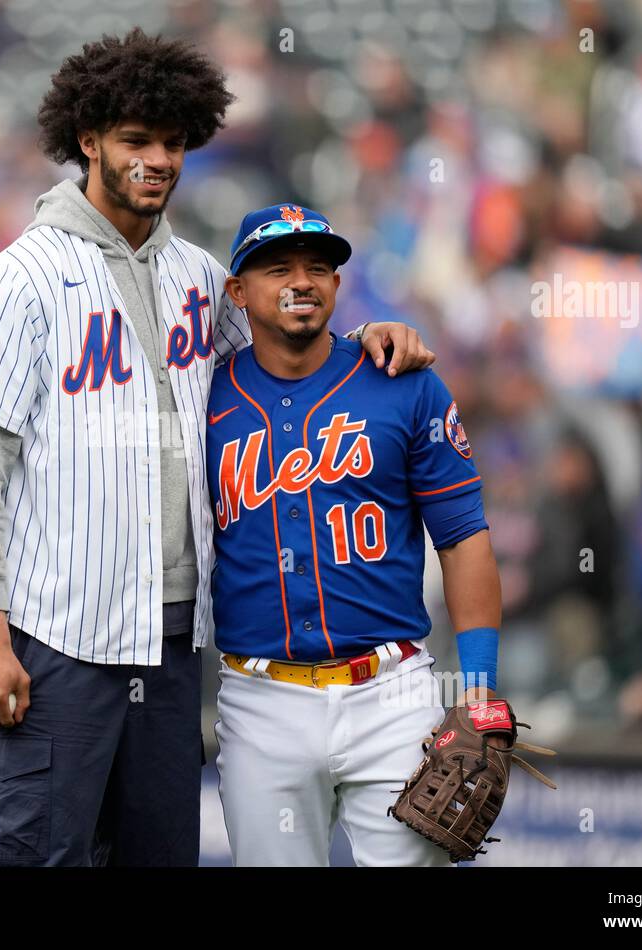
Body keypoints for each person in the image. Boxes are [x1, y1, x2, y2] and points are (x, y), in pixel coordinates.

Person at [0, 29, 435, 867]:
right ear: (88, 141)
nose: (158, 158)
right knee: (40, 859)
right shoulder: (16, 280)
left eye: (172, 142)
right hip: (60, 644)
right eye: (136, 140)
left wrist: (369, 344)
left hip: (172, 650)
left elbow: (293, 362)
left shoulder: (201, 277)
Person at [207, 202, 503, 866]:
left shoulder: (404, 384)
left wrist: (479, 686)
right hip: (260, 701)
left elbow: (462, 538)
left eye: (319, 266)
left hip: (391, 694)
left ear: (339, 285)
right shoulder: (201, 396)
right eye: (277, 267)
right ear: (238, 291)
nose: (301, 280)